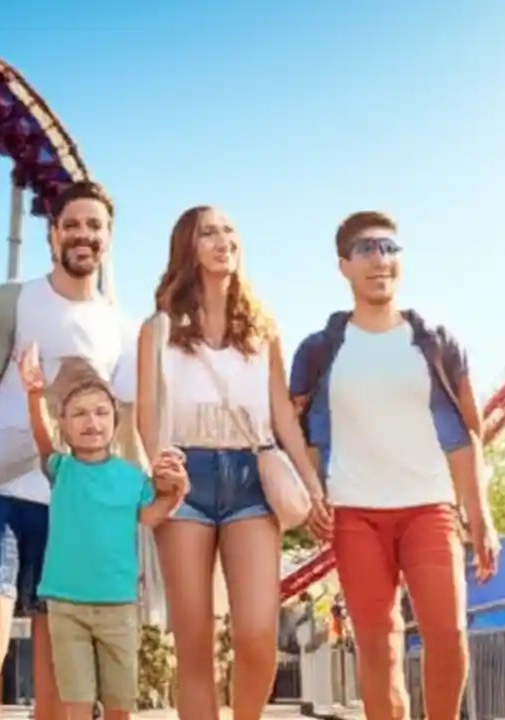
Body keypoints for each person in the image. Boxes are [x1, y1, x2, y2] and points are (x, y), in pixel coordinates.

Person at [0, 180, 138, 720]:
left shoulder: (122, 328)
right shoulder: (14, 299)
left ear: (108, 239)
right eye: (71, 224)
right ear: (52, 236)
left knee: (58, 670)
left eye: (94, 226)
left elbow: (124, 431)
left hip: (70, 509)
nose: (82, 234)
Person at [288, 211, 499, 720]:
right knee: (379, 649)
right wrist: (313, 494)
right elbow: (302, 434)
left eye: (389, 248)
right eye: (366, 249)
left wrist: (482, 513)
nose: (380, 259)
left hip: (429, 507)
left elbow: (468, 434)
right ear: (344, 266)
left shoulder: (436, 343)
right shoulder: (319, 351)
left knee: (448, 638)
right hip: (354, 513)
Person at [136, 205, 328, 720]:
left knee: (257, 632)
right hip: (184, 479)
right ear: (188, 248)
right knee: (194, 638)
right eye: (208, 233)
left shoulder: (262, 330)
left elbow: (283, 418)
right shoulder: (157, 329)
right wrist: (161, 468)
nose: (223, 241)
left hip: (252, 477)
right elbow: (149, 417)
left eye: (230, 231)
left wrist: (312, 486)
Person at [18, 347, 187, 719]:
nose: (90, 421)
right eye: (78, 413)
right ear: (63, 423)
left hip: (119, 606)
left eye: (100, 412)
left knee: (119, 704)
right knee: (75, 702)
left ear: (116, 421)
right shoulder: (60, 468)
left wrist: (177, 493)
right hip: (66, 606)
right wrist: (34, 393)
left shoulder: (132, 477)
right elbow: (40, 434)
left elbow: (152, 516)